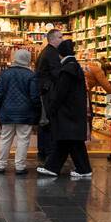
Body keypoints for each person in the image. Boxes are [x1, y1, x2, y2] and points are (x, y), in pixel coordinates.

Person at [38, 39, 93, 180]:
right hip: (74, 112)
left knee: (68, 140)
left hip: (68, 112)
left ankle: (79, 169)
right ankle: (56, 167)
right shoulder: (74, 67)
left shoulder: (67, 69)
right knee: (68, 140)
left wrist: (52, 108)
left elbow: (60, 93)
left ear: (60, 55)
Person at [0, 48, 39, 175]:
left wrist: (0, 107)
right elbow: (34, 96)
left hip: (7, 111)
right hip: (25, 112)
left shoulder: (5, 74)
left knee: (5, 138)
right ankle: (19, 166)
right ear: (27, 60)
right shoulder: (31, 75)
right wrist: (37, 109)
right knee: (23, 139)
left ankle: (0, 164)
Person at [35, 28, 65, 164]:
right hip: (49, 93)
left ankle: (43, 151)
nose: (62, 39)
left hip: (44, 91)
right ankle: (48, 153)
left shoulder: (45, 52)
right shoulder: (52, 53)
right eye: (59, 37)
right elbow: (56, 74)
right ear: (52, 39)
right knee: (48, 123)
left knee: (44, 123)